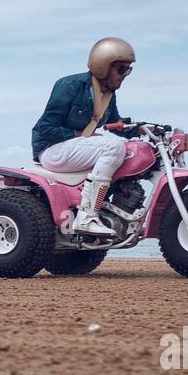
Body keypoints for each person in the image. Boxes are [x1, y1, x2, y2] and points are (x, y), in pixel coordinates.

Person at [30, 38, 136, 236]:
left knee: (128, 149)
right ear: (103, 65)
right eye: (121, 69)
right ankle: (87, 216)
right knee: (113, 148)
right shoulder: (70, 85)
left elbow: (116, 124)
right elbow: (45, 128)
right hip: (53, 149)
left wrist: (140, 130)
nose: (125, 75)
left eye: (128, 70)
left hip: (77, 149)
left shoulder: (108, 95)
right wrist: (80, 134)